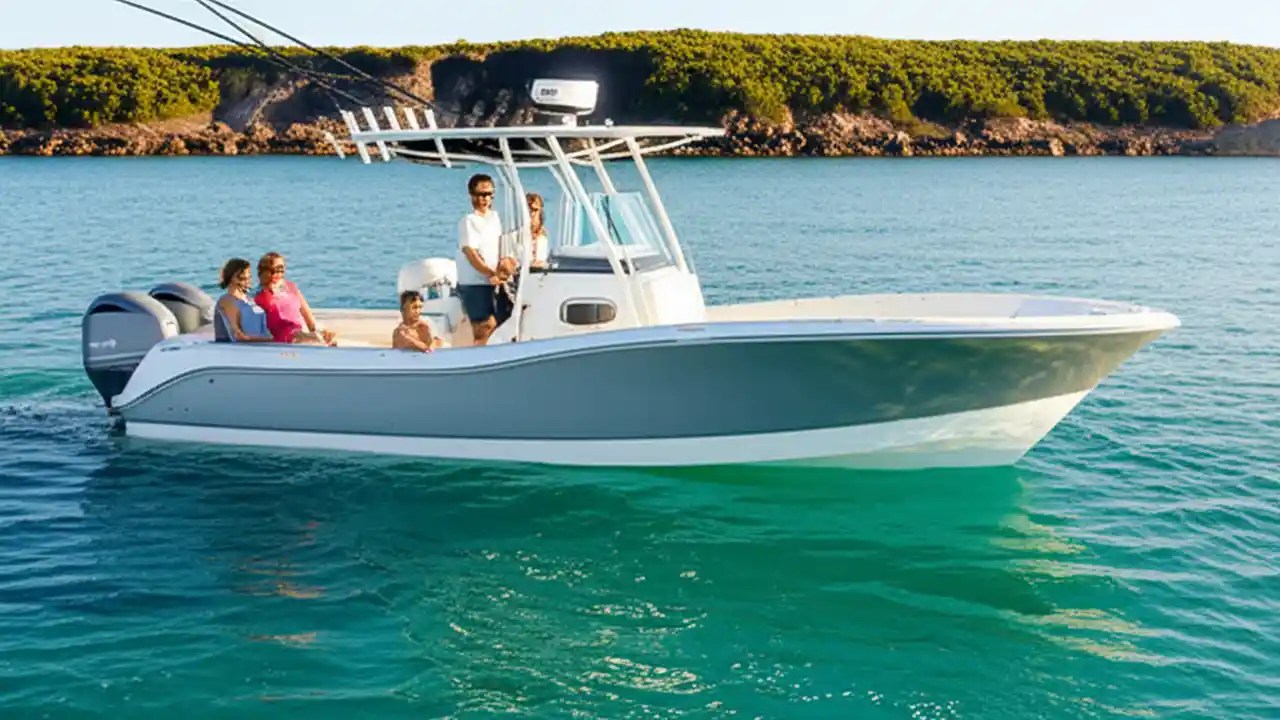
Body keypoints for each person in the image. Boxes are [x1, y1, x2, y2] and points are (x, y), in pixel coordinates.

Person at [455, 173, 513, 346]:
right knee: (483, 327)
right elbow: (471, 253)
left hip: (493, 281)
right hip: (474, 282)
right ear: (472, 195)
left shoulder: (495, 218)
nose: (485, 198)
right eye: (481, 194)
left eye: (489, 194)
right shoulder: (468, 221)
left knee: (502, 321)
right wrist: (490, 273)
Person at [254, 252, 337, 346]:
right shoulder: (259, 296)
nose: (278, 273)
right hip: (282, 337)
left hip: (298, 333)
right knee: (302, 336)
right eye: (274, 270)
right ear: (264, 271)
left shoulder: (291, 287)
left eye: (281, 269)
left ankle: (319, 339)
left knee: (320, 335)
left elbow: (308, 316)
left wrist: (318, 331)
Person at [214, 258, 274, 343]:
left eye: (249, 274)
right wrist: (271, 340)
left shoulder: (249, 299)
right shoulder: (227, 301)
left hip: (261, 345)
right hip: (241, 349)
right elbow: (237, 336)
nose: (249, 277)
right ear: (234, 277)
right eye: (246, 274)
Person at [526, 192, 550, 270]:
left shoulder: (543, 237)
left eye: (535, 210)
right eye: (529, 211)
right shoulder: (515, 236)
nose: (531, 215)